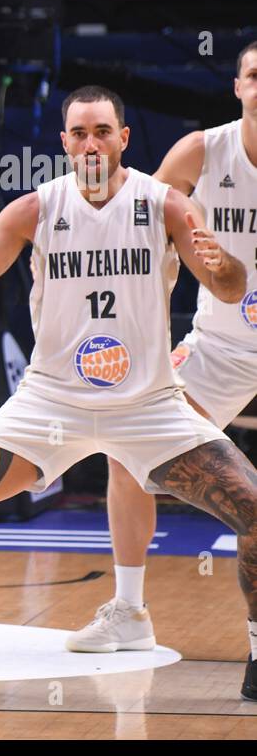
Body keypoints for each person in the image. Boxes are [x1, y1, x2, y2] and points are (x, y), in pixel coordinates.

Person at [0, 85, 257, 703]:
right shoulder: (33, 210)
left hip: (148, 404)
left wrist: (221, 263)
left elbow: (228, 288)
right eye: (79, 133)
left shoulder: (164, 203)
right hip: (51, 402)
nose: (91, 143)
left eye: (102, 131)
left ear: (124, 139)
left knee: (253, 505)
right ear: (63, 143)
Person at [69, 42, 257, 655]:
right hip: (224, 345)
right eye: (255, 75)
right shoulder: (203, 151)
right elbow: (136, 219)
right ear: (237, 86)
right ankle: (129, 610)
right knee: (128, 453)